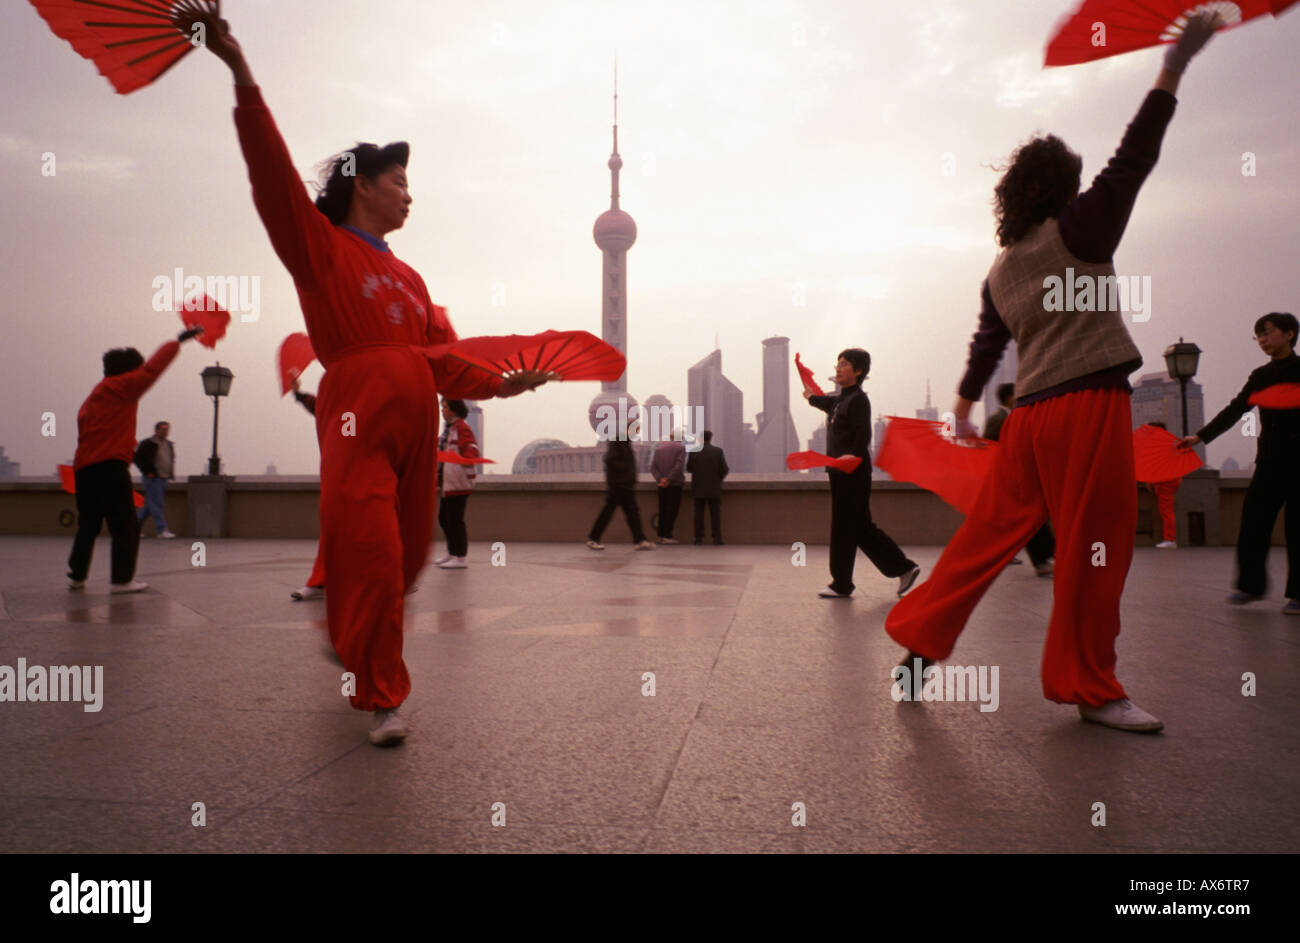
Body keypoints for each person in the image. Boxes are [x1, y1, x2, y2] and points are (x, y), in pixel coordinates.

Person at [188, 9, 549, 746]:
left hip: (418, 422)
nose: (410, 194)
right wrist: (239, 69)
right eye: (399, 181)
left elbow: (439, 359)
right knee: (377, 556)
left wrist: (499, 384)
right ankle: (382, 695)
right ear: (364, 187)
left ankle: (354, 633)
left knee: (408, 556)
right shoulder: (319, 248)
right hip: (354, 414)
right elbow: (274, 178)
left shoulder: (411, 277)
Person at [884, 13, 1224, 733]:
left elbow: (984, 344)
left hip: (1029, 420)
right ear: (1064, 188)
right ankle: (1090, 684)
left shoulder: (1000, 268)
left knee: (985, 538)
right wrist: (1175, 66)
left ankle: (919, 642)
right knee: (1096, 545)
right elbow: (1135, 157)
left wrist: (966, 406)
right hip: (1087, 404)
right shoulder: (1084, 227)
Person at [1179, 312, 1300, 613]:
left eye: (1268, 332)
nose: (1262, 340)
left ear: (1289, 334)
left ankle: (1298, 594)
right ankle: (1250, 586)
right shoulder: (1261, 376)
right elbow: (1236, 409)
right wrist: (1201, 437)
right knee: (1253, 522)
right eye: (1258, 335)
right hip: (1270, 460)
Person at [67, 327, 203, 593]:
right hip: (110, 467)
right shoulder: (123, 387)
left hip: (84, 470)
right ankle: (122, 580)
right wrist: (177, 342)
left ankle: (77, 575)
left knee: (89, 525)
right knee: (124, 524)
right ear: (129, 371)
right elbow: (152, 370)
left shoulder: (92, 398)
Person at [804, 350, 920, 597]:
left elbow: (863, 434)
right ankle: (846, 582)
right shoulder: (839, 401)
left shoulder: (858, 400)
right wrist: (809, 393)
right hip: (839, 471)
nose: (838, 368)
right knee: (853, 527)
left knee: (854, 527)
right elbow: (821, 401)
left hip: (853, 470)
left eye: (844, 365)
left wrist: (853, 455)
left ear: (858, 372)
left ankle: (900, 568)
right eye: (837, 364)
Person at [983, 382, 1055, 574]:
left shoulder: (1015, 416)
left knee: (1025, 518)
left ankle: (1042, 556)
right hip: (1008, 478)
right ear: (1009, 397)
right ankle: (1043, 559)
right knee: (1029, 517)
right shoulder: (997, 419)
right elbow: (987, 448)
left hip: (1020, 477)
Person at [288, 376, 326, 601]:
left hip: (364, 477)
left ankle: (393, 579)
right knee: (332, 531)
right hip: (336, 477)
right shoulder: (332, 404)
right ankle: (319, 582)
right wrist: (298, 393)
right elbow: (317, 404)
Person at [587, 435, 655, 551]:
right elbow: (610, 460)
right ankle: (593, 538)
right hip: (619, 485)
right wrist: (626, 470)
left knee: (630, 513)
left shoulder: (624, 442)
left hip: (624, 485)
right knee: (613, 513)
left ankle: (639, 540)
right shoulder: (619, 442)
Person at [434, 398, 479, 569]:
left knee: (455, 520)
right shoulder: (449, 429)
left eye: (445, 407)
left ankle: (460, 557)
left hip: (459, 483)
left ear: (454, 410)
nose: (442, 410)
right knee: (444, 519)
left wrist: (467, 458)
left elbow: (471, 449)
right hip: (449, 483)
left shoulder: (462, 428)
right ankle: (452, 553)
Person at [1141, 421, 1181, 549]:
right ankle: (1169, 538)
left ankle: (1170, 539)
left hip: (1166, 481)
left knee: (1166, 511)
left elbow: (1159, 465)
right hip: (1171, 479)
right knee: (1166, 511)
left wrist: (1152, 480)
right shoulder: (1170, 443)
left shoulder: (1161, 444)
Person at [134, 421, 177, 539]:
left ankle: (133, 529)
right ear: (157, 430)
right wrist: (148, 471)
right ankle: (161, 529)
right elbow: (137, 458)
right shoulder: (148, 443)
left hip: (163, 477)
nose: (165, 432)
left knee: (149, 505)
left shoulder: (168, 444)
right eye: (163, 429)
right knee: (157, 504)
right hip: (152, 478)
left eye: (167, 429)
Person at [686, 430, 729, 545]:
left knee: (698, 514)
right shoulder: (718, 451)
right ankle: (717, 537)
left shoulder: (694, 452)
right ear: (710, 438)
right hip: (714, 487)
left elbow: (689, 468)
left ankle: (698, 538)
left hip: (698, 487)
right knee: (715, 513)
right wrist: (718, 480)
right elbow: (725, 469)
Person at [650, 427, 686, 544]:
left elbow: (653, 467)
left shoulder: (659, 449)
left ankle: (661, 535)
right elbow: (679, 466)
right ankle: (667, 536)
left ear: (670, 436)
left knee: (663, 509)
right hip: (675, 484)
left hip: (661, 485)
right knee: (672, 510)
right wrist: (669, 479)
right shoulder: (681, 448)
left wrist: (661, 479)